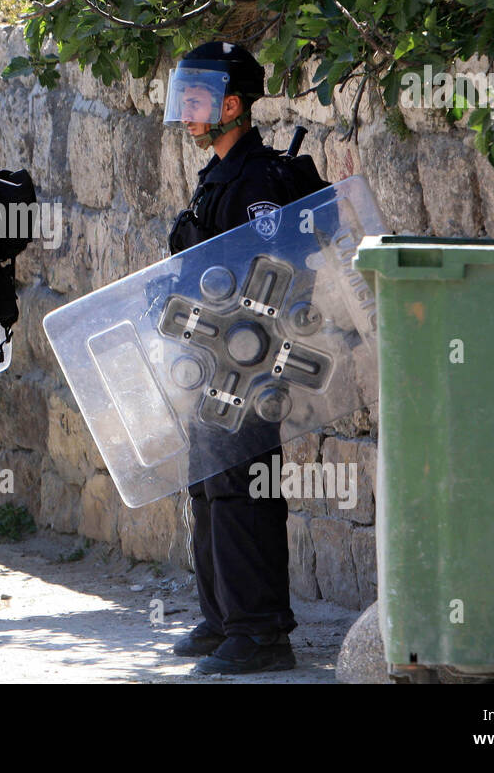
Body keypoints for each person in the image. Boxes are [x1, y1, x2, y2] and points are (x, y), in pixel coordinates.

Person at [163, 41, 298, 674]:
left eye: (196, 101)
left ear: (233, 105)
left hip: (244, 360)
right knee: (210, 488)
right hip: (210, 359)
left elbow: (261, 275)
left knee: (243, 491)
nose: (186, 112)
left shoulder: (255, 180)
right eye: (184, 99)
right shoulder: (218, 174)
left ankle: (261, 630)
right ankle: (222, 618)